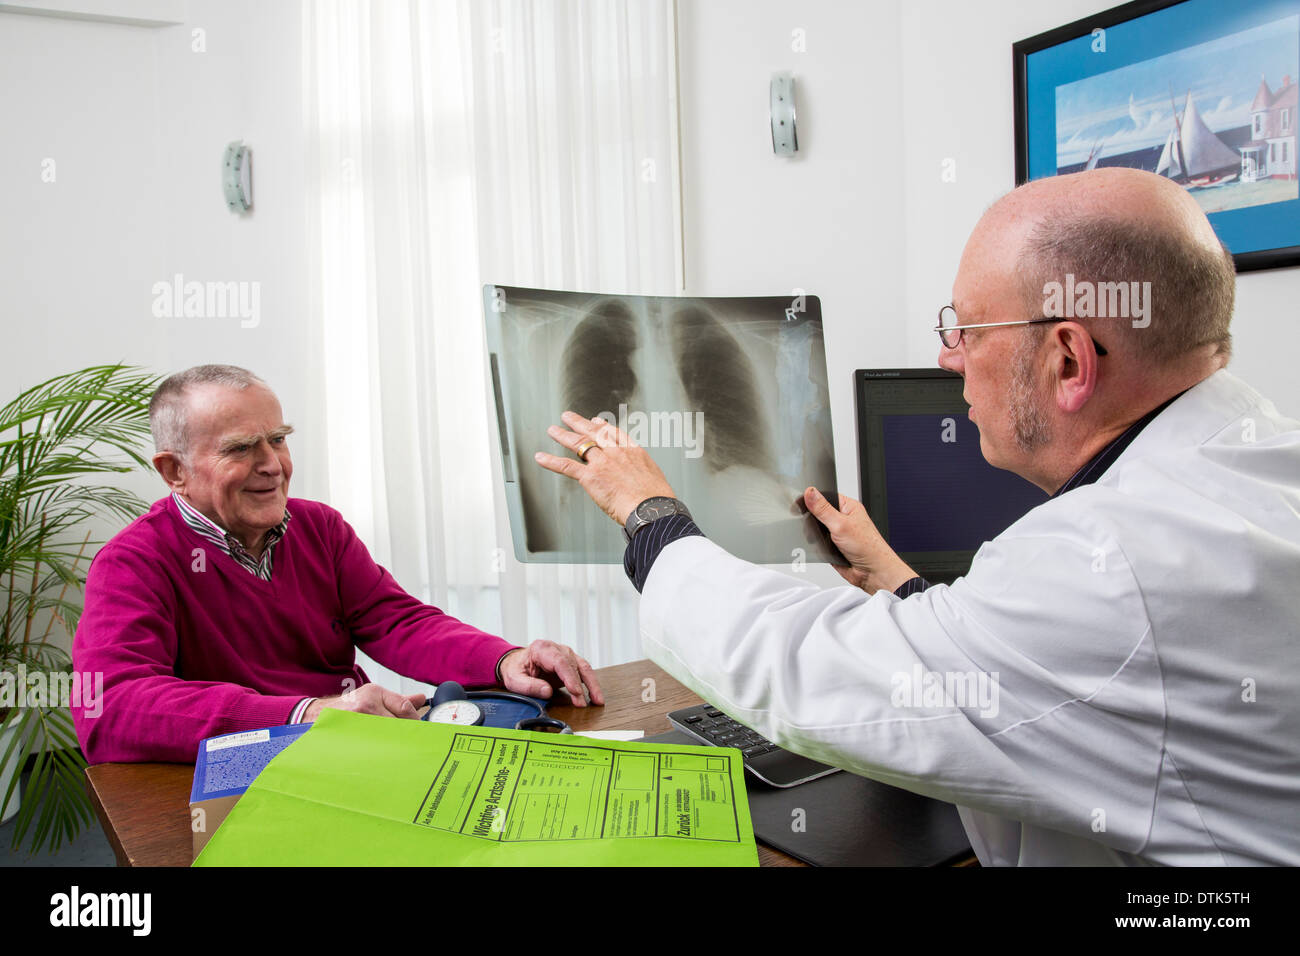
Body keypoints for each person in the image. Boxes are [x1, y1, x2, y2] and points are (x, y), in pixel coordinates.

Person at [534, 167, 1300, 865]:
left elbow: (809, 676)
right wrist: (902, 588)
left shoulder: (1116, 560)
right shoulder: (1256, 465)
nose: (948, 356)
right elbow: (1029, 673)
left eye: (967, 328)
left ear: (1069, 360)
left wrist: (651, 514)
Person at [72, 365, 602, 764]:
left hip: (350, 755)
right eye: (240, 449)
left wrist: (503, 660)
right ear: (174, 471)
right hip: (246, 778)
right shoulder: (131, 563)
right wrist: (305, 714)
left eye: (278, 439)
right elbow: (110, 706)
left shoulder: (318, 527)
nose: (273, 465)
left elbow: (396, 621)